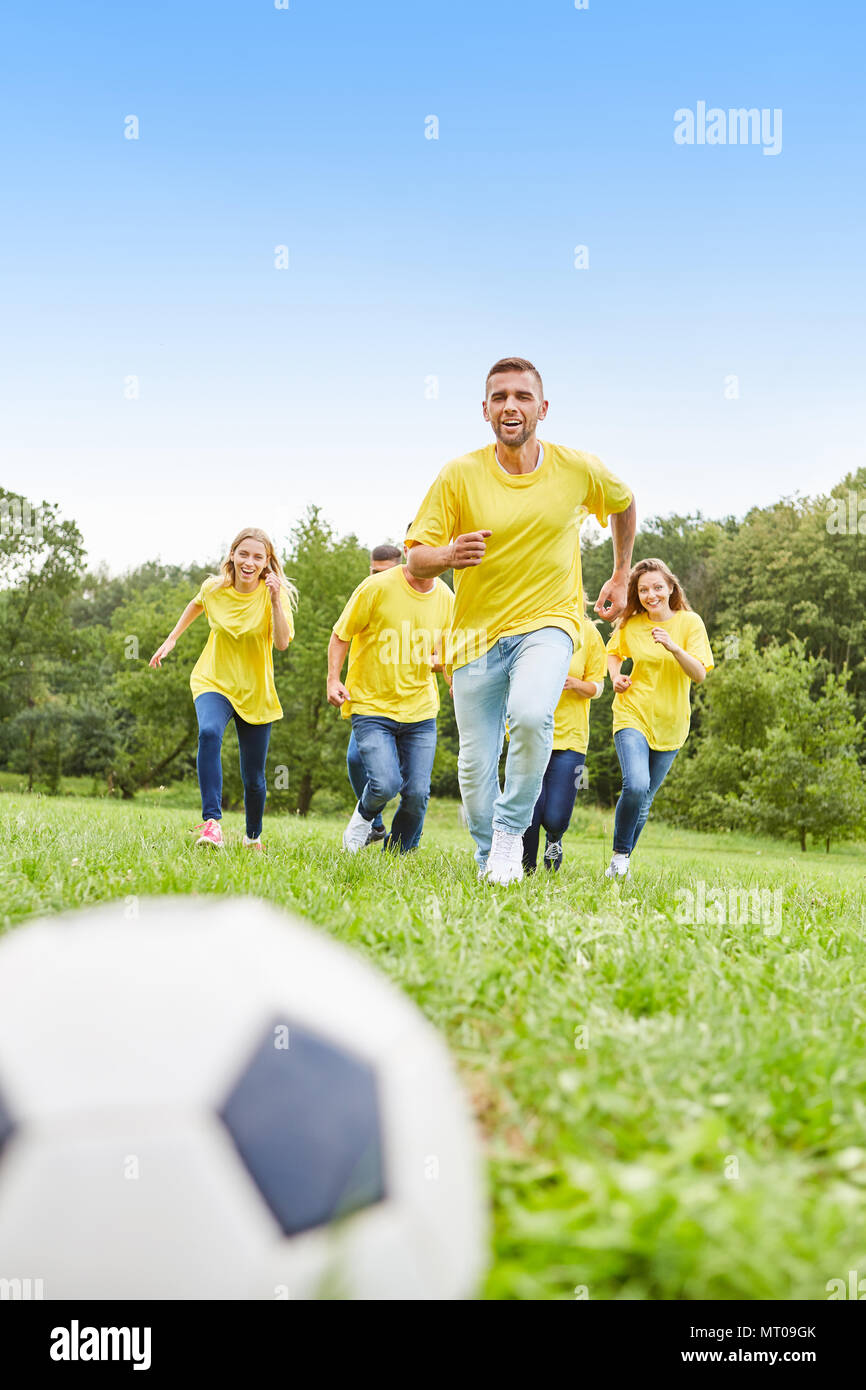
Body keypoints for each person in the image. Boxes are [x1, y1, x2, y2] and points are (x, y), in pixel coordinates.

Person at [405, 356, 635, 884]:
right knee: (474, 767)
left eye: (523, 396)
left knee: (533, 716)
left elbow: (624, 502)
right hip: (475, 638)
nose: (512, 405)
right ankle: (491, 852)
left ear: (543, 408)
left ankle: (511, 837)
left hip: (549, 622)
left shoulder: (578, 468)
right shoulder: (458, 474)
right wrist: (447, 555)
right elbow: (414, 557)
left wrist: (621, 573)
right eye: (500, 397)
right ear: (485, 410)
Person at [149, 527, 296, 849]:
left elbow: (283, 643)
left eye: (258, 557)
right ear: (232, 555)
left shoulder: (275, 595)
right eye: (243, 554)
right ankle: (211, 823)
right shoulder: (214, 588)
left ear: (267, 562)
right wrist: (171, 639)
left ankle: (252, 836)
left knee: (254, 777)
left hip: (256, 692)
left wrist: (273, 599)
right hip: (212, 679)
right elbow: (195, 604)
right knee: (209, 733)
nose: (249, 562)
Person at [327, 547, 454, 853]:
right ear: (411, 550)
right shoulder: (376, 586)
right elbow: (341, 634)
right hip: (371, 705)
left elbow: (447, 653)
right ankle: (363, 821)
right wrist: (333, 678)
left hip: (420, 711)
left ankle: (398, 855)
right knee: (385, 783)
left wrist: (454, 681)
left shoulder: (447, 598)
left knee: (417, 794)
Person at [604, 558, 713, 880]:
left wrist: (673, 647)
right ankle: (621, 856)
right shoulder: (631, 623)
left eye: (657, 588)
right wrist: (615, 677)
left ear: (670, 588)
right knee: (636, 784)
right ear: (637, 594)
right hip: (631, 712)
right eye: (643, 590)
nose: (651, 594)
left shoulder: (690, 623)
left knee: (645, 799)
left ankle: (621, 859)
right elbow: (613, 651)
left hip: (672, 722)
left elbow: (699, 675)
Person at [522, 610, 607, 873]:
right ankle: (525, 866)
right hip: (530, 734)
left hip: (571, 737)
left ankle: (555, 840)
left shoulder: (589, 632)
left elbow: (598, 687)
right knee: (530, 811)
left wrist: (576, 684)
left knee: (556, 817)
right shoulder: (529, 622)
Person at [345, 544, 403, 843]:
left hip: (410, 702)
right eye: (372, 571)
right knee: (355, 759)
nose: (375, 577)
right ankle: (376, 824)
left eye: (382, 572)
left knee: (411, 783)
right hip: (370, 698)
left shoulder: (412, 598)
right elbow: (343, 633)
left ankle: (407, 841)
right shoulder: (368, 592)